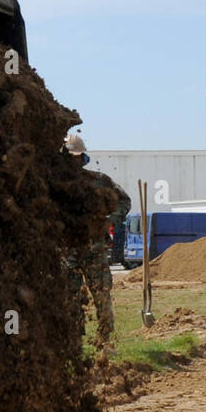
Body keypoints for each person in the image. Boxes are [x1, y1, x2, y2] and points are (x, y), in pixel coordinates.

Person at [63, 132, 129, 347]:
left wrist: (111, 221)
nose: (72, 161)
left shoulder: (99, 181)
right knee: (70, 299)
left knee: (101, 296)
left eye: (76, 157)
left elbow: (124, 201)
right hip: (67, 252)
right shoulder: (55, 184)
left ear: (82, 159)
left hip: (94, 250)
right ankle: (75, 342)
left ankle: (105, 342)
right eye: (68, 157)